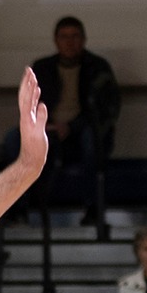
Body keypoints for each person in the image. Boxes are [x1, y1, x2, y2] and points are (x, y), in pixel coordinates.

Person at [28, 14, 120, 193]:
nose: (69, 42)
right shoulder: (42, 68)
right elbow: (30, 103)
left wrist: (71, 126)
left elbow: (106, 109)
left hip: (83, 130)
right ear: (56, 41)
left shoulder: (97, 68)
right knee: (13, 140)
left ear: (83, 40)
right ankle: (20, 211)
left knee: (91, 140)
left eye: (74, 36)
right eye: (64, 37)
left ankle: (92, 206)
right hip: (47, 129)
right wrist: (45, 125)